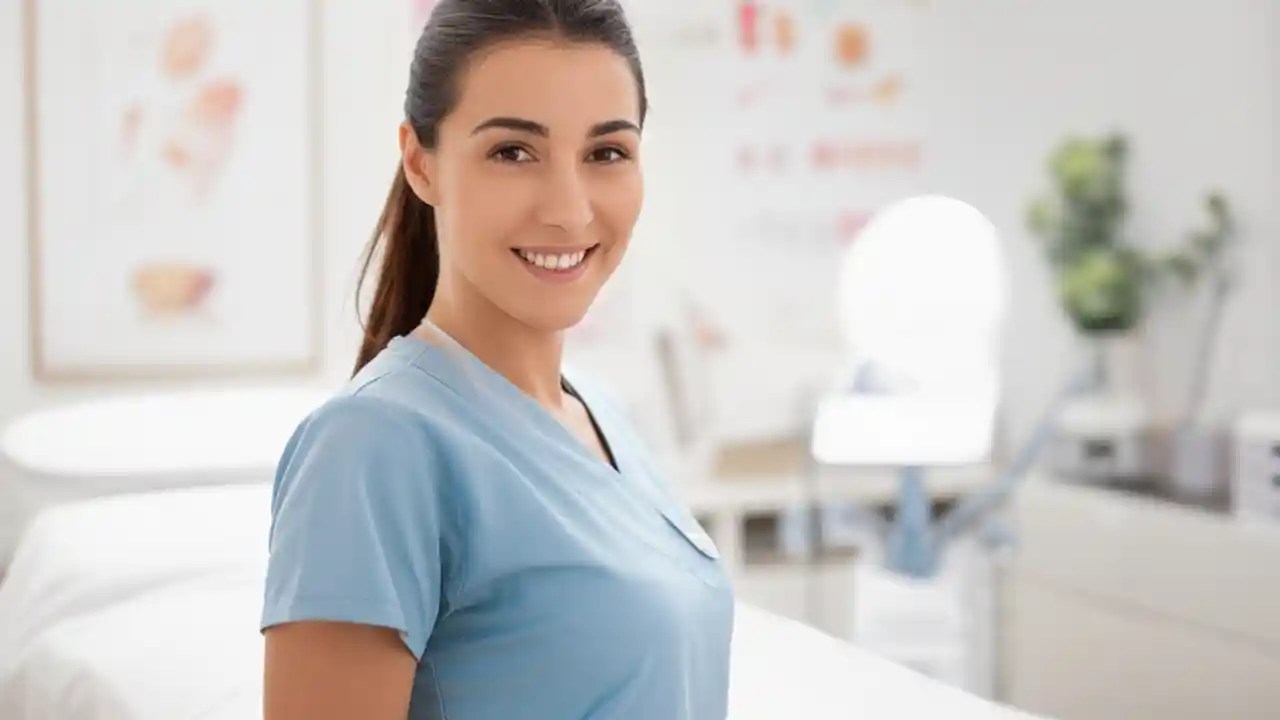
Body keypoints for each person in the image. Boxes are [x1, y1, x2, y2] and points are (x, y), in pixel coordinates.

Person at [259, 1, 735, 718]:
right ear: (421, 163)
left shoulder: (599, 414)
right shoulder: (371, 447)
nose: (570, 210)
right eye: (513, 151)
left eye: (606, 152)